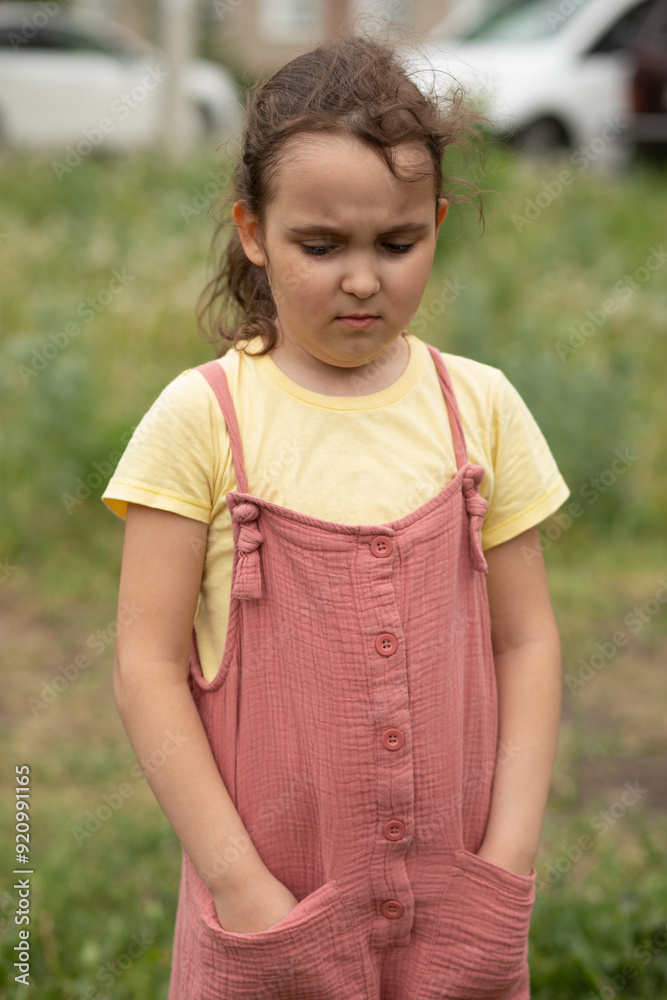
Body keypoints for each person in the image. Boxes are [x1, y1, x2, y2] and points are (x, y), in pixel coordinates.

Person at [103, 30, 569, 1000]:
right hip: (272, 920)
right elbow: (145, 668)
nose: (362, 278)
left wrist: (509, 856)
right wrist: (241, 887)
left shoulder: (478, 407)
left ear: (436, 221)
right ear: (251, 230)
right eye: (321, 245)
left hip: (458, 915)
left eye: (397, 242)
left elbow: (526, 640)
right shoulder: (201, 420)